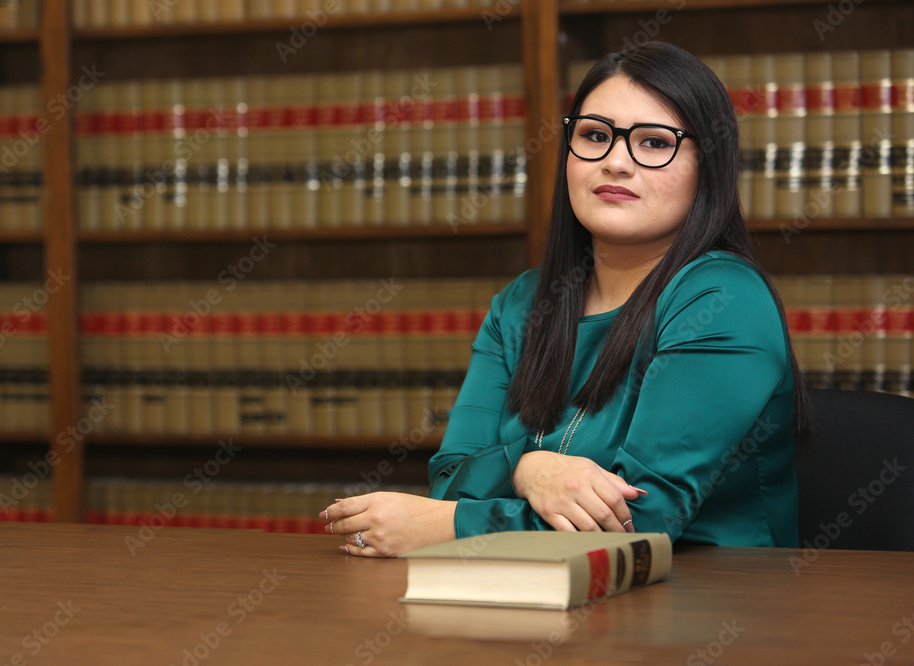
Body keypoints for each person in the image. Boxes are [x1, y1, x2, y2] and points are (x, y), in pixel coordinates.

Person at [320, 41, 811, 557]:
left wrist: (448, 527)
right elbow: (450, 477)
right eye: (595, 136)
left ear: (707, 167)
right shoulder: (523, 303)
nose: (616, 162)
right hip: (549, 595)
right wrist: (531, 468)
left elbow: (640, 522)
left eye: (653, 143)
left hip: (713, 607)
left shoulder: (722, 299)